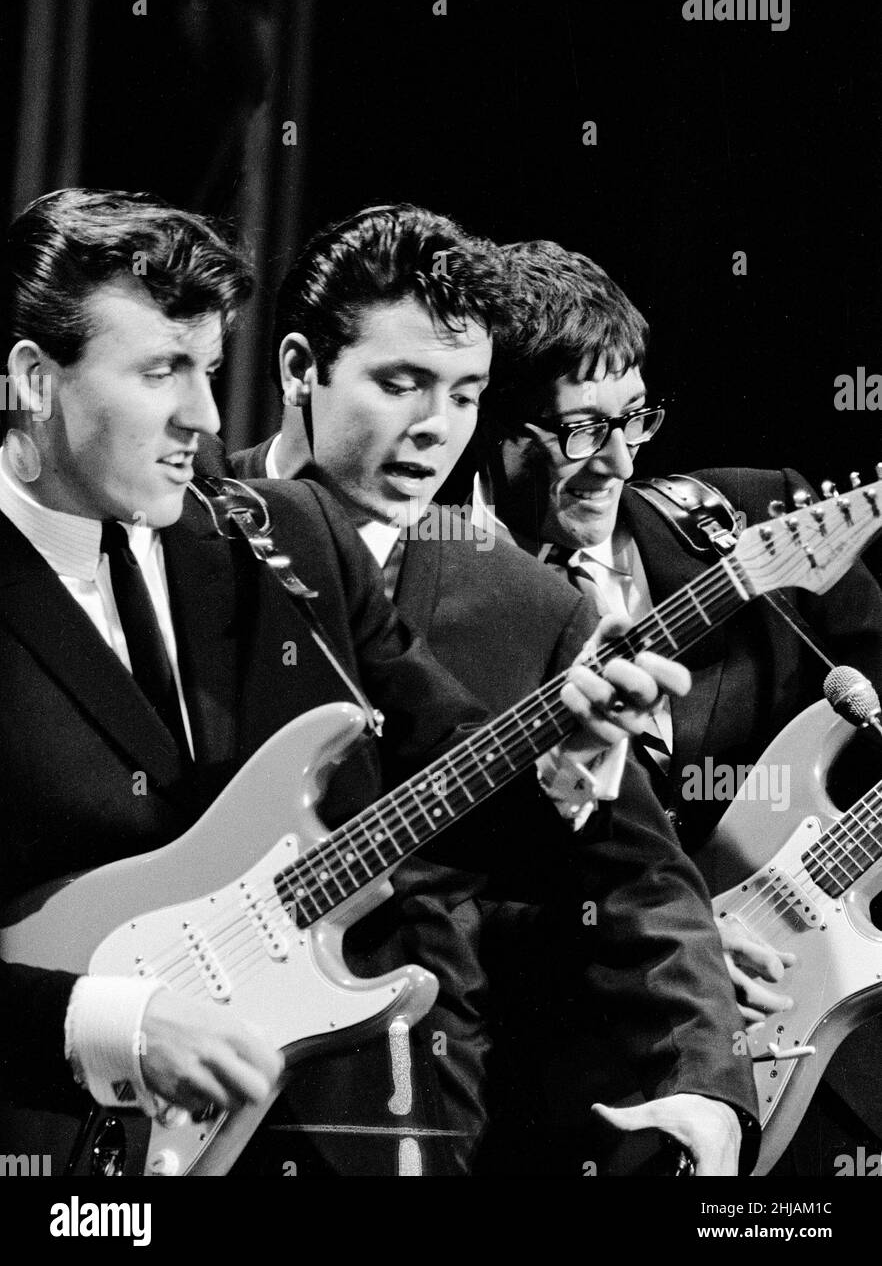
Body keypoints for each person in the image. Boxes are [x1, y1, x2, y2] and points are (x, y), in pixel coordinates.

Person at [0, 188, 721, 1177]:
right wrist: (105, 1017)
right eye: (164, 370)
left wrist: (564, 763)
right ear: (36, 382)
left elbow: (450, 785)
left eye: (209, 371)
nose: (204, 414)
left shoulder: (284, 532)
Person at [227, 202, 762, 1175]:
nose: (435, 429)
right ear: (301, 369)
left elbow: (637, 875)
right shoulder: (182, 532)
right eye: (401, 383)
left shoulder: (531, 604)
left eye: (463, 392)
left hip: (408, 1113)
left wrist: (708, 1090)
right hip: (164, 1061)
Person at [478, 236, 882, 1173]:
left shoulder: (744, 520)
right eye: (580, 429)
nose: (616, 460)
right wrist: (686, 936)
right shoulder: (449, 601)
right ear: (493, 426)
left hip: (822, 1049)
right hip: (564, 1087)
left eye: (636, 418)